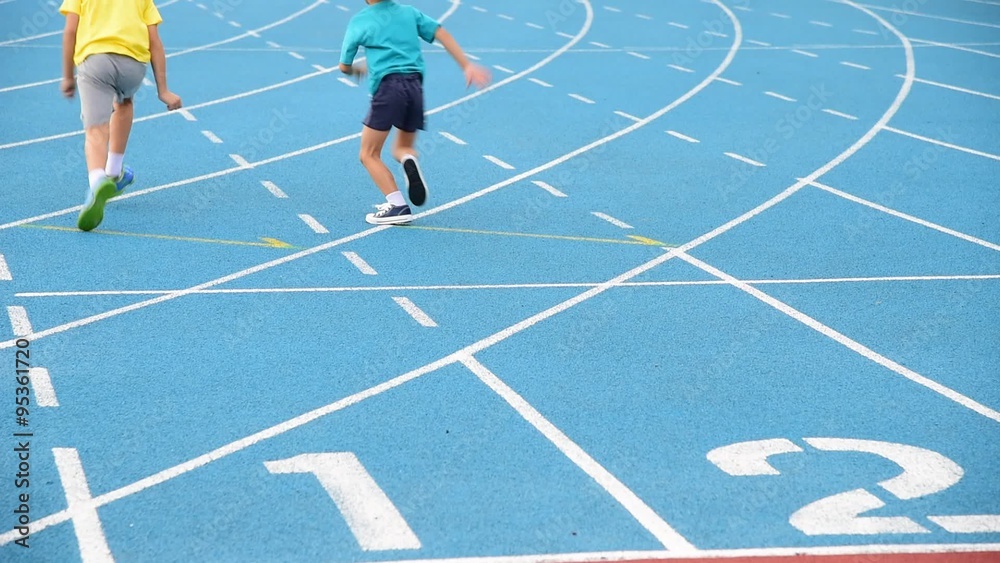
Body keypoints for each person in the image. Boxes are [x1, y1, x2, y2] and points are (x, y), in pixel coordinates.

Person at [340, 0, 491, 225]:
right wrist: (467, 65)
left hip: (387, 88)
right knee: (403, 147)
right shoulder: (409, 13)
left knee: (368, 154)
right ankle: (408, 159)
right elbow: (442, 33)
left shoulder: (360, 21)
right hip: (414, 87)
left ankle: (397, 205)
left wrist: (356, 69)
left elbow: (344, 65)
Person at [59, 0, 183, 231]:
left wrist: (67, 76)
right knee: (124, 103)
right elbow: (154, 42)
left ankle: (97, 183)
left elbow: (70, 31)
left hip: (96, 60)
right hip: (133, 66)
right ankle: (115, 171)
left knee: (96, 129)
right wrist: (163, 90)